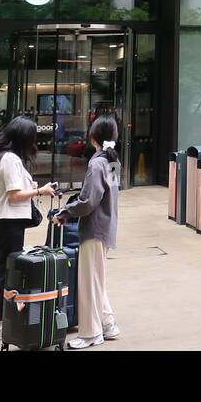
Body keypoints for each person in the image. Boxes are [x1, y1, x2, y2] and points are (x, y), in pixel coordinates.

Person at [0, 117, 57, 342]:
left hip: (1, 220)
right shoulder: (10, 160)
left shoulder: (2, 158)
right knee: (6, 272)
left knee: (0, 270)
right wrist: (40, 191)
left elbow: (12, 190)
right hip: (9, 222)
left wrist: (31, 188)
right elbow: (15, 196)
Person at [53, 115, 121, 349]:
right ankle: (107, 324)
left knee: (89, 282)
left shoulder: (96, 164)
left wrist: (65, 212)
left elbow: (88, 201)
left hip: (94, 228)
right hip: (107, 227)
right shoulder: (113, 161)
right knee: (96, 279)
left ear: (93, 137)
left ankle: (92, 333)